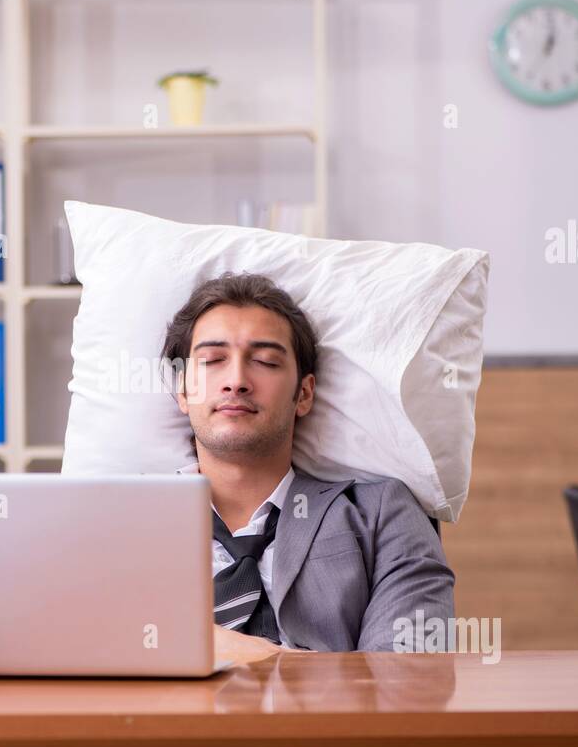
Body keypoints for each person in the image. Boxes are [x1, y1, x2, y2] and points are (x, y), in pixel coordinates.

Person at [160, 272, 454, 661]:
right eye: (213, 360)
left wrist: (260, 659)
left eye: (265, 361)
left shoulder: (383, 515)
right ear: (182, 391)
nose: (236, 380)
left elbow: (408, 678)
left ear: (304, 394)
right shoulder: (124, 522)